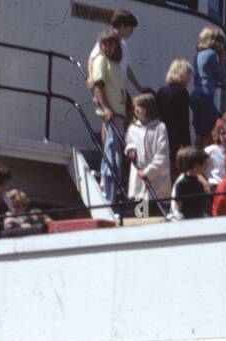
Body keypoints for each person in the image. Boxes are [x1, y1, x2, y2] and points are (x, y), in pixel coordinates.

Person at [89, 31, 129, 218]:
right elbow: (98, 85)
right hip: (111, 113)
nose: (107, 47)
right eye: (104, 44)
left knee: (116, 154)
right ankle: (109, 196)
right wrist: (106, 108)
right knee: (112, 155)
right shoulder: (101, 61)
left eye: (111, 44)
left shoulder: (115, 64)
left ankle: (112, 195)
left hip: (119, 112)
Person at [124, 92, 170, 216]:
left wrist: (148, 172)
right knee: (141, 218)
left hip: (157, 183)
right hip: (139, 183)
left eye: (139, 106)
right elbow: (129, 143)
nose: (136, 110)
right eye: (134, 107)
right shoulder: (132, 128)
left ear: (148, 108)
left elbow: (163, 155)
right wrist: (130, 150)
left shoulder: (160, 128)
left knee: (157, 218)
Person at [86, 9, 144, 96]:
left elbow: (127, 69)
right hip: (107, 87)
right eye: (130, 27)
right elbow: (92, 58)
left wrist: (139, 88)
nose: (132, 31)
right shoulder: (108, 41)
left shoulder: (123, 45)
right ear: (121, 25)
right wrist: (91, 77)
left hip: (119, 87)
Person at [190, 26, 226, 149]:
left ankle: (193, 158)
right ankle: (204, 158)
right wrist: (222, 60)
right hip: (206, 95)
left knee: (200, 133)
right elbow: (220, 76)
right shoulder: (212, 55)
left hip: (195, 94)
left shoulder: (199, 55)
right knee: (210, 130)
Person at [155, 60, 193, 178]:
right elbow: (183, 121)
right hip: (174, 137)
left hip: (160, 135)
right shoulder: (182, 93)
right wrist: (187, 145)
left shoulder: (161, 91)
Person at [171, 146, 211, 220]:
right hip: (186, 221)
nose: (207, 166)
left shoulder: (200, 183)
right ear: (196, 165)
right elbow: (177, 207)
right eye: (205, 163)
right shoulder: (181, 184)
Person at [204, 118, 226, 187]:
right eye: (223, 133)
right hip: (215, 187)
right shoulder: (210, 150)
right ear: (218, 135)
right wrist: (205, 183)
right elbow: (196, 168)